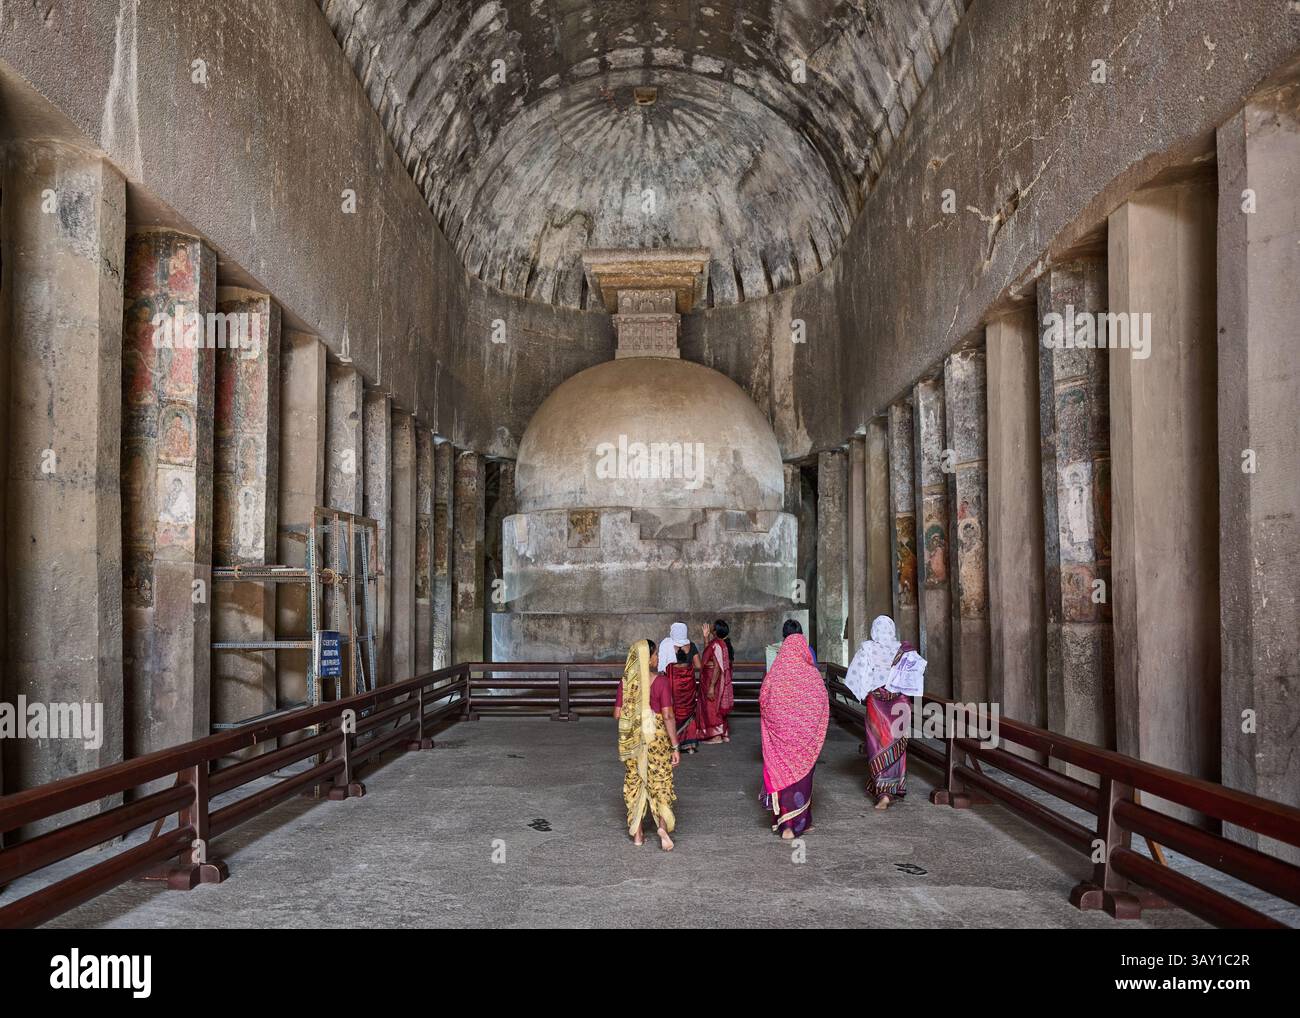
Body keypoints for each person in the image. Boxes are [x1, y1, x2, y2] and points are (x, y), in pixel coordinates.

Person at [843, 615, 927, 810]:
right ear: (892, 629)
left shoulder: (868, 648)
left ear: (874, 630)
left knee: (878, 743)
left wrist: (864, 690)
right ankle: (896, 786)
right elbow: (914, 677)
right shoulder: (904, 650)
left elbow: (857, 675)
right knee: (897, 743)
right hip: (901, 703)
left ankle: (883, 792)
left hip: (877, 703)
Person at [759, 628, 828, 839]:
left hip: (781, 739)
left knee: (783, 775)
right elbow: (823, 703)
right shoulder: (813, 676)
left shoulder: (774, 676)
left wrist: (777, 723)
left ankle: (784, 824)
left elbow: (763, 701)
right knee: (802, 777)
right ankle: (799, 823)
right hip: (804, 740)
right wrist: (807, 726)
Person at [614, 639, 681, 849]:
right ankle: (662, 827)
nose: (657, 658)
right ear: (647, 657)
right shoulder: (660, 682)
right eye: (654, 654)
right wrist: (675, 745)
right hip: (657, 740)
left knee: (636, 783)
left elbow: (617, 714)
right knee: (660, 781)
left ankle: (638, 835)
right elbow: (668, 715)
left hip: (634, 741)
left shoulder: (626, 683)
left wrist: (635, 714)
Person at [659, 622, 701, 753]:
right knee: (689, 710)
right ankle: (690, 745)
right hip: (689, 684)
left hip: (673, 683)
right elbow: (699, 666)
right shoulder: (692, 646)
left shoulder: (667, 645)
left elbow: (662, 668)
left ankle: (673, 742)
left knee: (673, 709)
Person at [695, 619, 734, 743]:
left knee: (711, 706)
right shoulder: (718, 643)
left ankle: (716, 736)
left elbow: (717, 666)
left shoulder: (717, 644)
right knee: (714, 706)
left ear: (716, 630)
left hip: (712, 679)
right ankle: (723, 733)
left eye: (712, 626)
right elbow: (708, 655)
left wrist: (712, 686)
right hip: (711, 678)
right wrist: (705, 637)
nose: (710, 627)